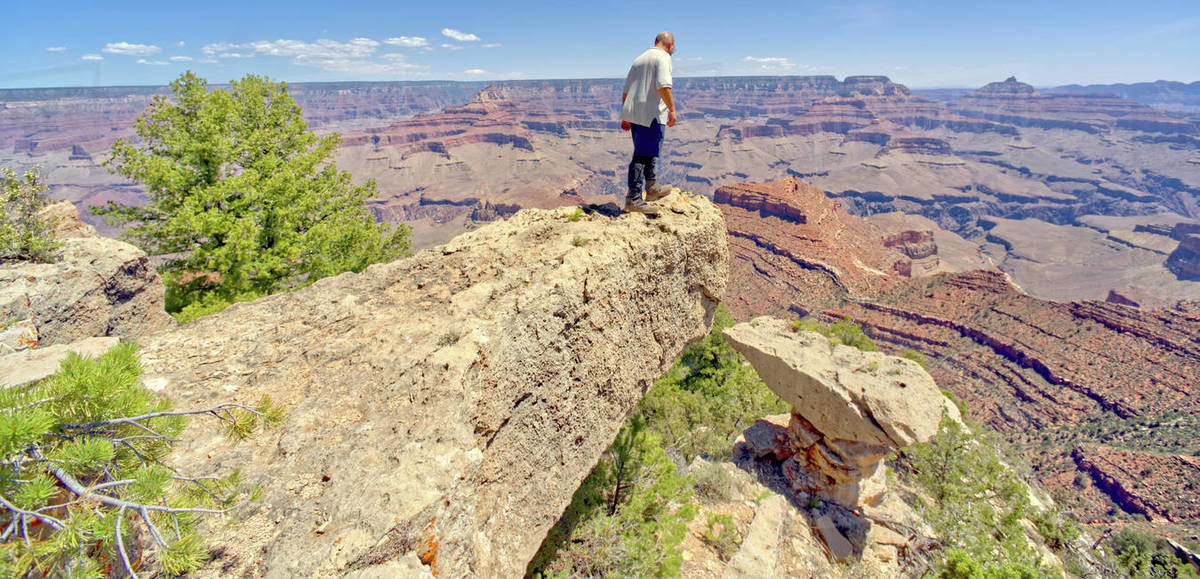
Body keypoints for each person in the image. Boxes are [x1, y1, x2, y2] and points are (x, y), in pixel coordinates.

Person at [619, 31, 676, 216]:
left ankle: (651, 188)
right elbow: (664, 86)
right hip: (651, 114)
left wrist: (626, 115)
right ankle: (634, 199)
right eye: (674, 47)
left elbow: (626, 91)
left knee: (647, 151)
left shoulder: (639, 59)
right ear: (670, 45)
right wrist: (672, 110)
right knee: (641, 156)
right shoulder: (663, 57)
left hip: (635, 114)